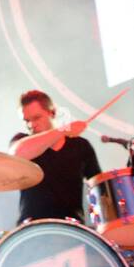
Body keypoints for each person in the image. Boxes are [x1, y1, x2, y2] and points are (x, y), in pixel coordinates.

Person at [8, 89, 100, 223]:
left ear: (52, 112)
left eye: (36, 118)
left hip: (72, 228)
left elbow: (98, 184)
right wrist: (63, 130)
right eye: (26, 120)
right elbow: (17, 153)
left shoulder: (80, 145)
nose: (31, 125)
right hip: (32, 229)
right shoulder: (22, 140)